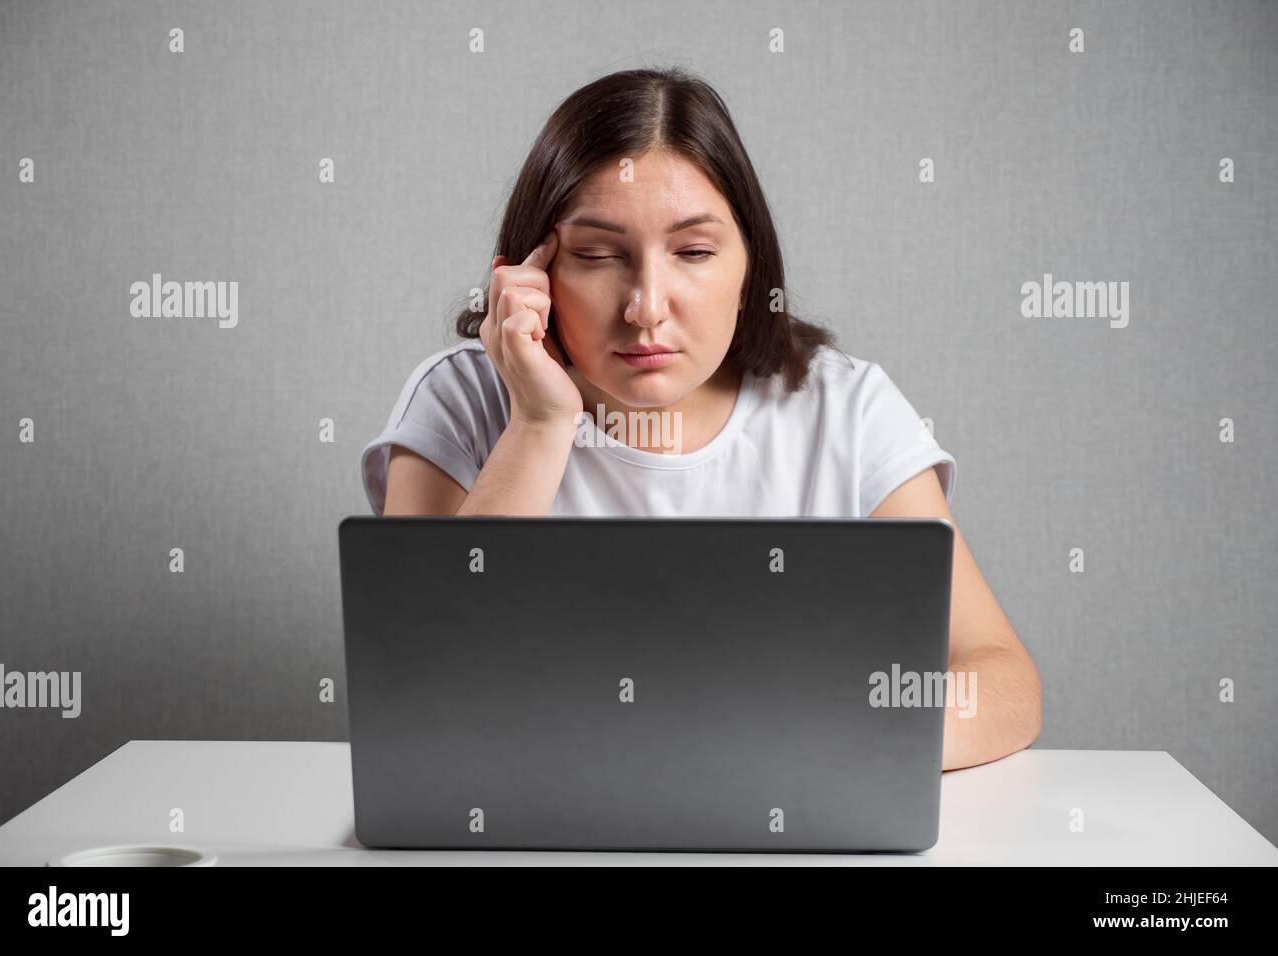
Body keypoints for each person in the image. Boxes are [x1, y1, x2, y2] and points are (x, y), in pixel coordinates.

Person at [359, 67, 1041, 770]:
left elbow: (1003, 680)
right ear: (524, 278)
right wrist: (538, 424)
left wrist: (828, 744)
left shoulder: (849, 411)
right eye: (596, 255)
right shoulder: (458, 404)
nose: (646, 306)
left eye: (693, 252)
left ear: (750, 267)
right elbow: (415, 690)